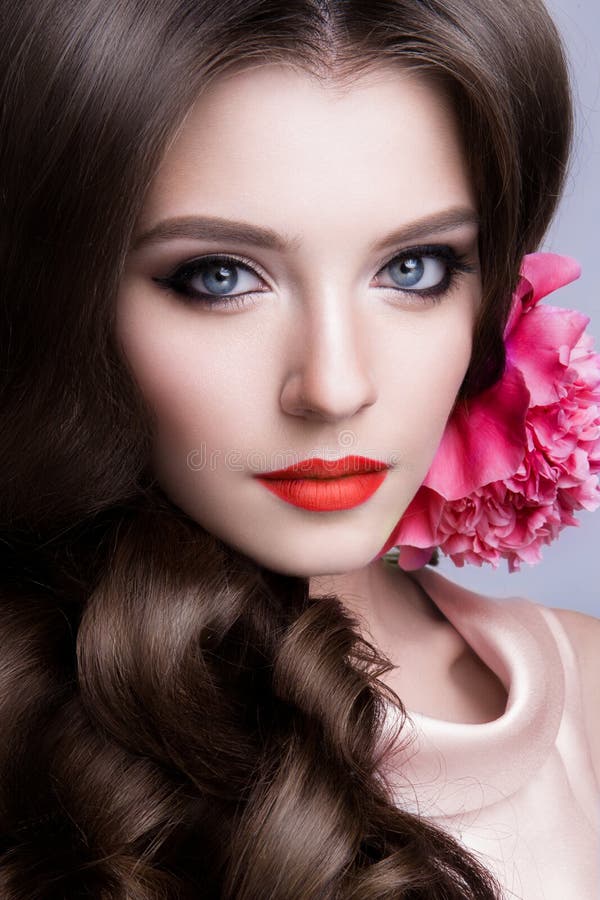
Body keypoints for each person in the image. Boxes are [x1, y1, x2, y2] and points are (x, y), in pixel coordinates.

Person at [0, 1, 598, 898]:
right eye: (218, 276)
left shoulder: (585, 694)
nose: (334, 385)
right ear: (63, 294)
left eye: (414, 269)